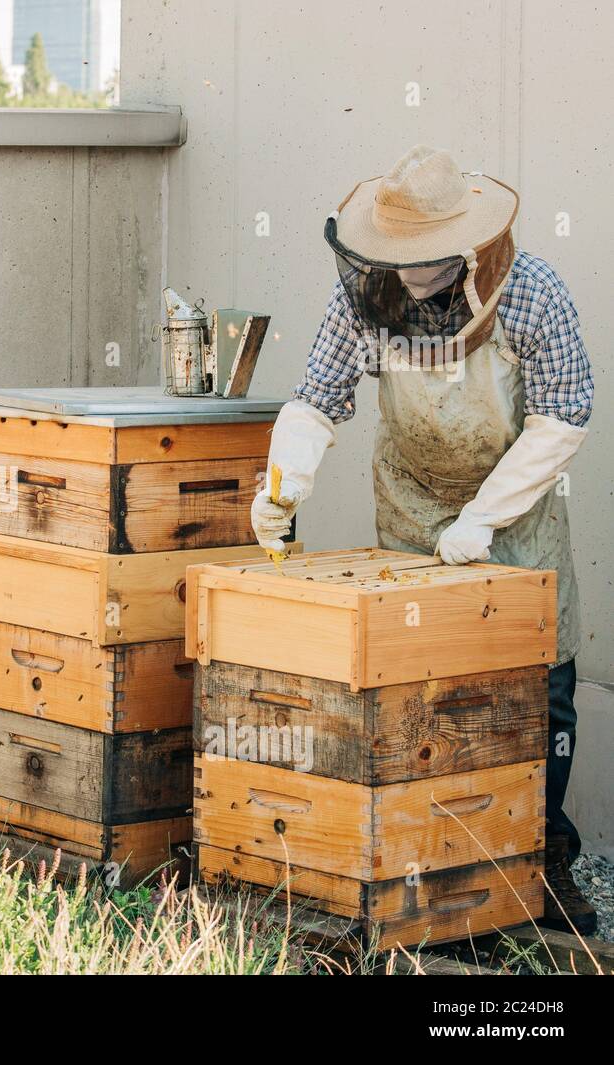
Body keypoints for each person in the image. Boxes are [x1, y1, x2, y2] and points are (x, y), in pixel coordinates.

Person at [251, 145, 596, 934]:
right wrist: (284, 484)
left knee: (540, 694)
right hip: (410, 514)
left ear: (468, 246)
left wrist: (485, 518)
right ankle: (438, 871)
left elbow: (563, 417)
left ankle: (545, 866)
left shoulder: (532, 292)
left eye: (423, 260)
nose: (406, 272)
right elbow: (317, 397)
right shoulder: (367, 297)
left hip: (517, 520)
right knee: (426, 699)